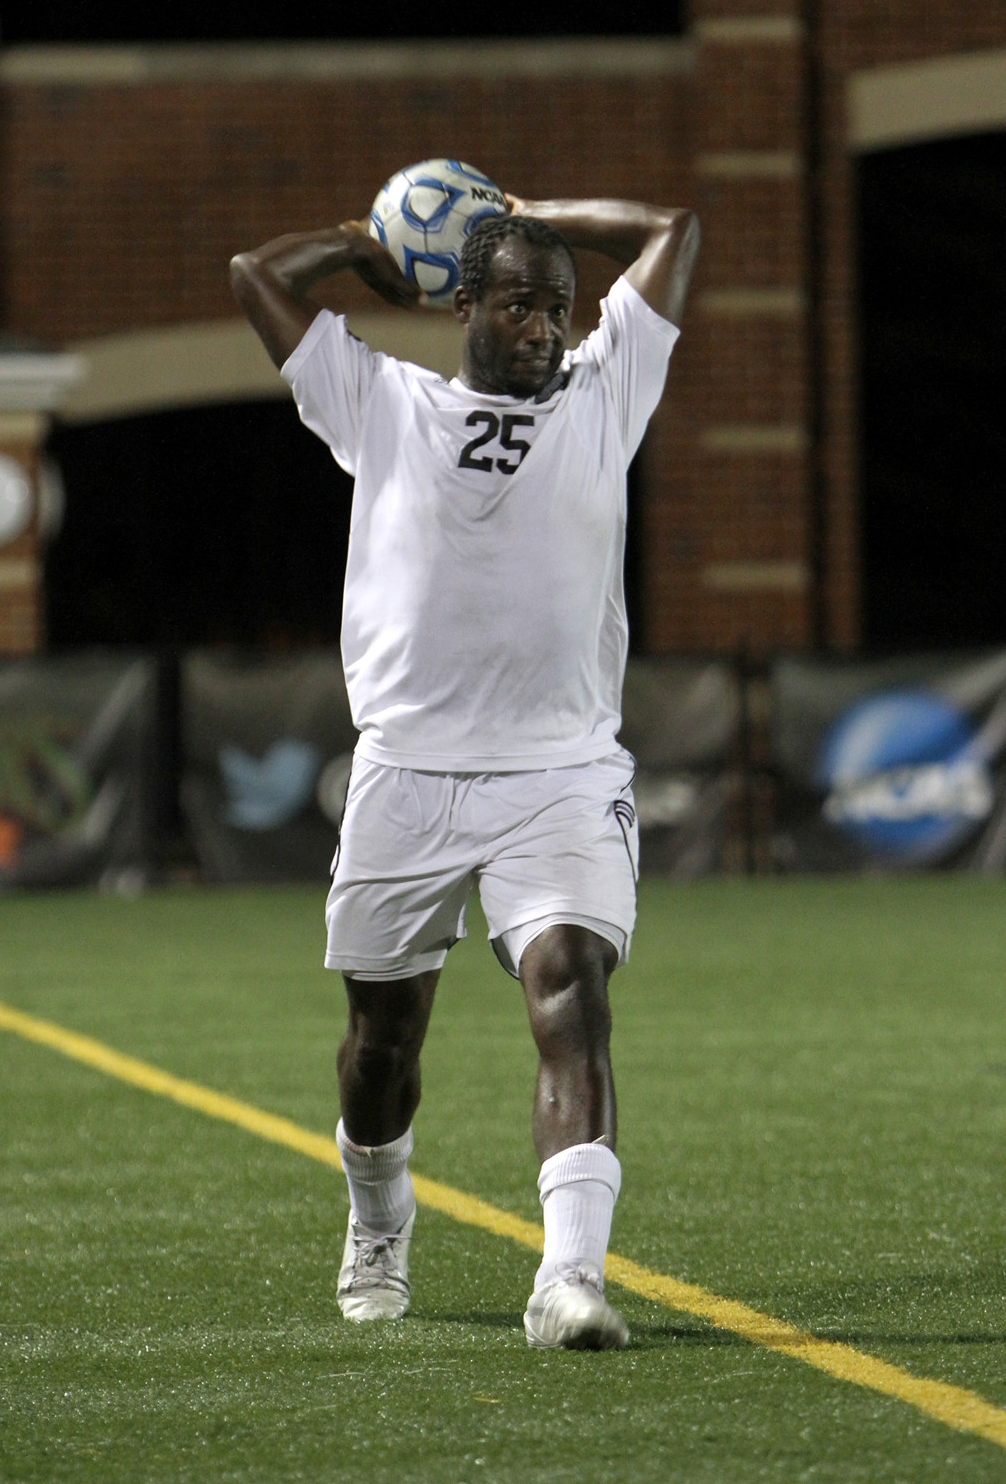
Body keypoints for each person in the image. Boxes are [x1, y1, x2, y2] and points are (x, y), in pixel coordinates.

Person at [230, 183, 699, 1349]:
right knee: (383, 1044)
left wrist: (540, 212)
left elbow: (670, 231)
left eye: (557, 305)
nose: (543, 326)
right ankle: (378, 1224)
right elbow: (256, 274)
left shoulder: (608, 391)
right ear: (464, 310)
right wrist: (364, 248)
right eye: (517, 304)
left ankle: (571, 1281)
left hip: (560, 774)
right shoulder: (384, 400)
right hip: (410, 773)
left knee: (569, 992)